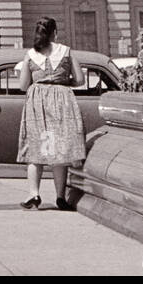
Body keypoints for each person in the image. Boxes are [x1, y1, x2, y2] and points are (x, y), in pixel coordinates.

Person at [17, 15, 86, 210]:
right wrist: (63, 82)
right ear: (55, 32)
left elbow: (23, 85)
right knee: (59, 149)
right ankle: (60, 196)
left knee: (36, 148)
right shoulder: (66, 52)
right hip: (63, 100)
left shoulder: (30, 55)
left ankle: (34, 194)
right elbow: (80, 80)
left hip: (37, 101)